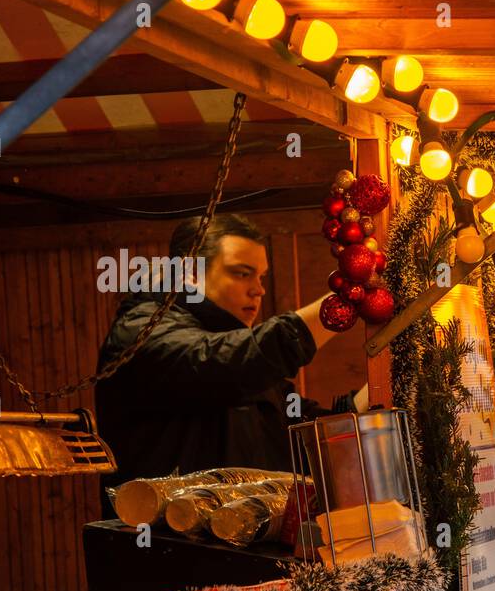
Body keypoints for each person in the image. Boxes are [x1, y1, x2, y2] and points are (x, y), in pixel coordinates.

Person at [96, 214, 365, 510]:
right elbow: (221, 363)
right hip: (170, 549)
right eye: (242, 273)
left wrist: (369, 396)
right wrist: (346, 301)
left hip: (241, 547)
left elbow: (305, 436)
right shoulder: (140, 332)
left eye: (260, 276)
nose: (258, 289)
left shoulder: (237, 348)